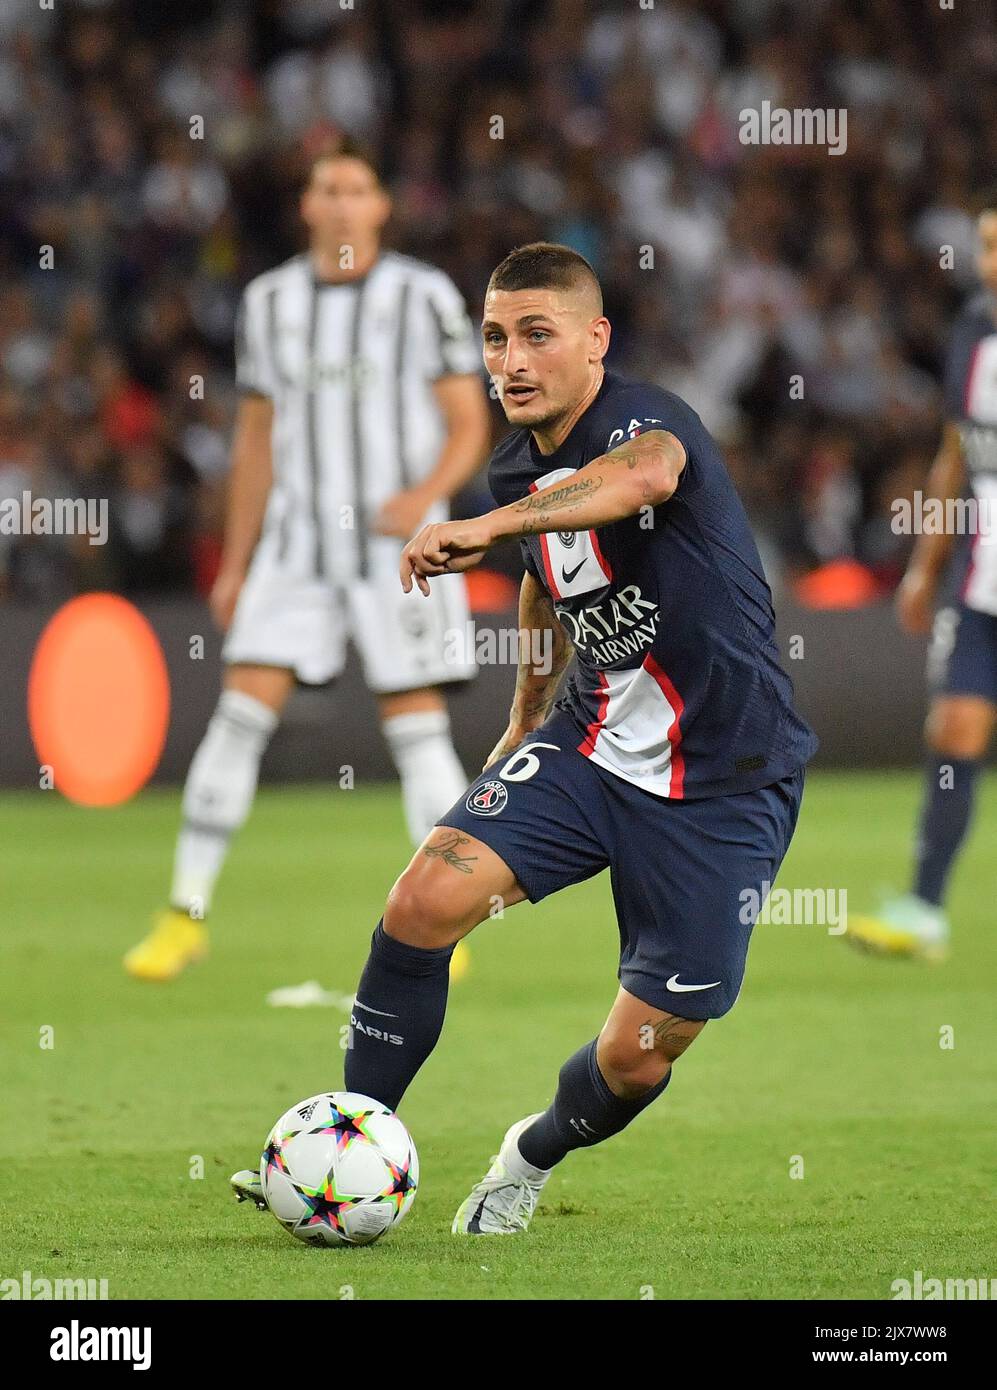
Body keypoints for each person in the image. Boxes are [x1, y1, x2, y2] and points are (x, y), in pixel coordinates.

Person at [232, 241, 817, 1234]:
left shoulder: (646, 420)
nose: (510, 359)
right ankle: (347, 1144)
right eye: (495, 336)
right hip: (586, 748)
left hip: (723, 780)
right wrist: (524, 706)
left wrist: (489, 524)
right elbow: (550, 570)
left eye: (536, 335)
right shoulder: (521, 458)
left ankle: (529, 1153)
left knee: (637, 1055)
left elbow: (635, 483)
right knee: (422, 900)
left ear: (595, 341)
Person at [125, 142, 489, 982]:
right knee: (240, 715)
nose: (341, 202)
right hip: (295, 545)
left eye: (357, 188)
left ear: (381, 206)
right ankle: (185, 913)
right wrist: (235, 561)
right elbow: (255, 438)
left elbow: (469, 419)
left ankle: (444, 919)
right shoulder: (270, 300)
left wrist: (427, 493)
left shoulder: (421, 294)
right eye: (327, 188)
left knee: (416, 726)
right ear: (307, 208)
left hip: (399, 548)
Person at [848, 190, 997, 962]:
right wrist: (923, 564)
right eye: (986, 247)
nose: (991, 266)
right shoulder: (973, 328)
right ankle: (926, 909)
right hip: (981, 582)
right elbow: (954, 453)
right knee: (953, 728)